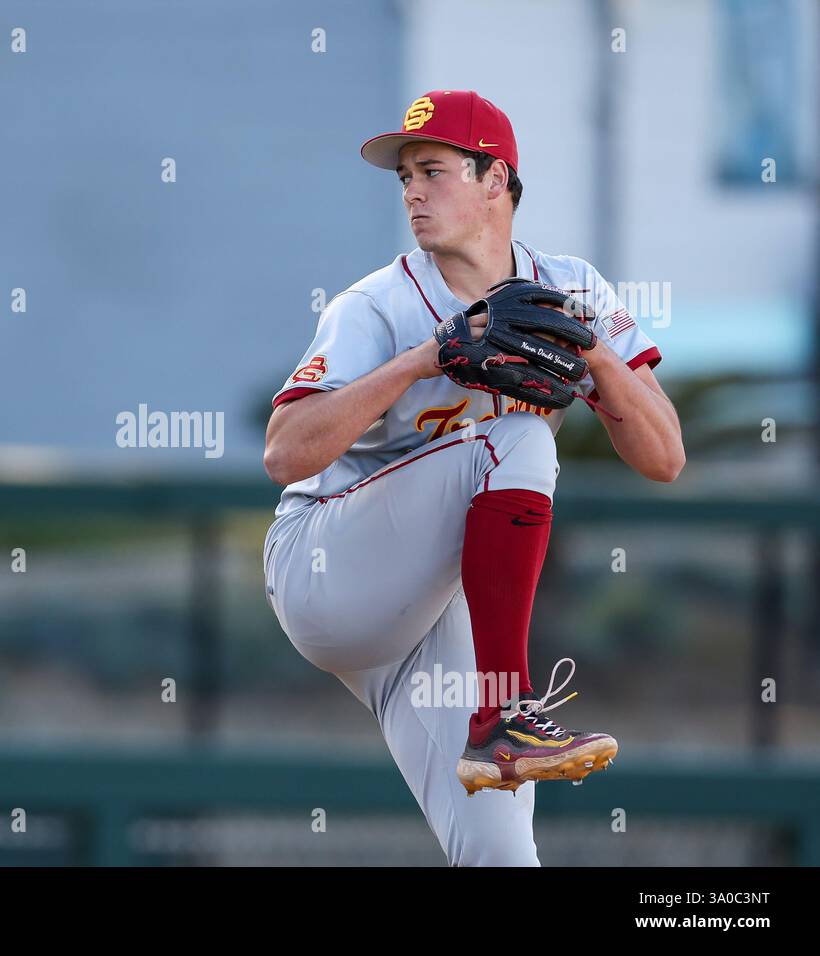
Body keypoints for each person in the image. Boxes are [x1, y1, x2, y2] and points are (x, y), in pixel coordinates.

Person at [260, 90, 685, 866]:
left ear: (496, 179)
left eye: (433, 170)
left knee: (502, 853)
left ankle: (498, 731)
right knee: (514, 437)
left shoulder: (568, 283)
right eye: (405, 178)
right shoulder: (376, 304)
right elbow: (285, 454)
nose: (413, 192)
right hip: (325, 569)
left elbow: (664, 459)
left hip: (432, 607)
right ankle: (504, 714)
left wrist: (592, 353)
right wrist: (425, 358)